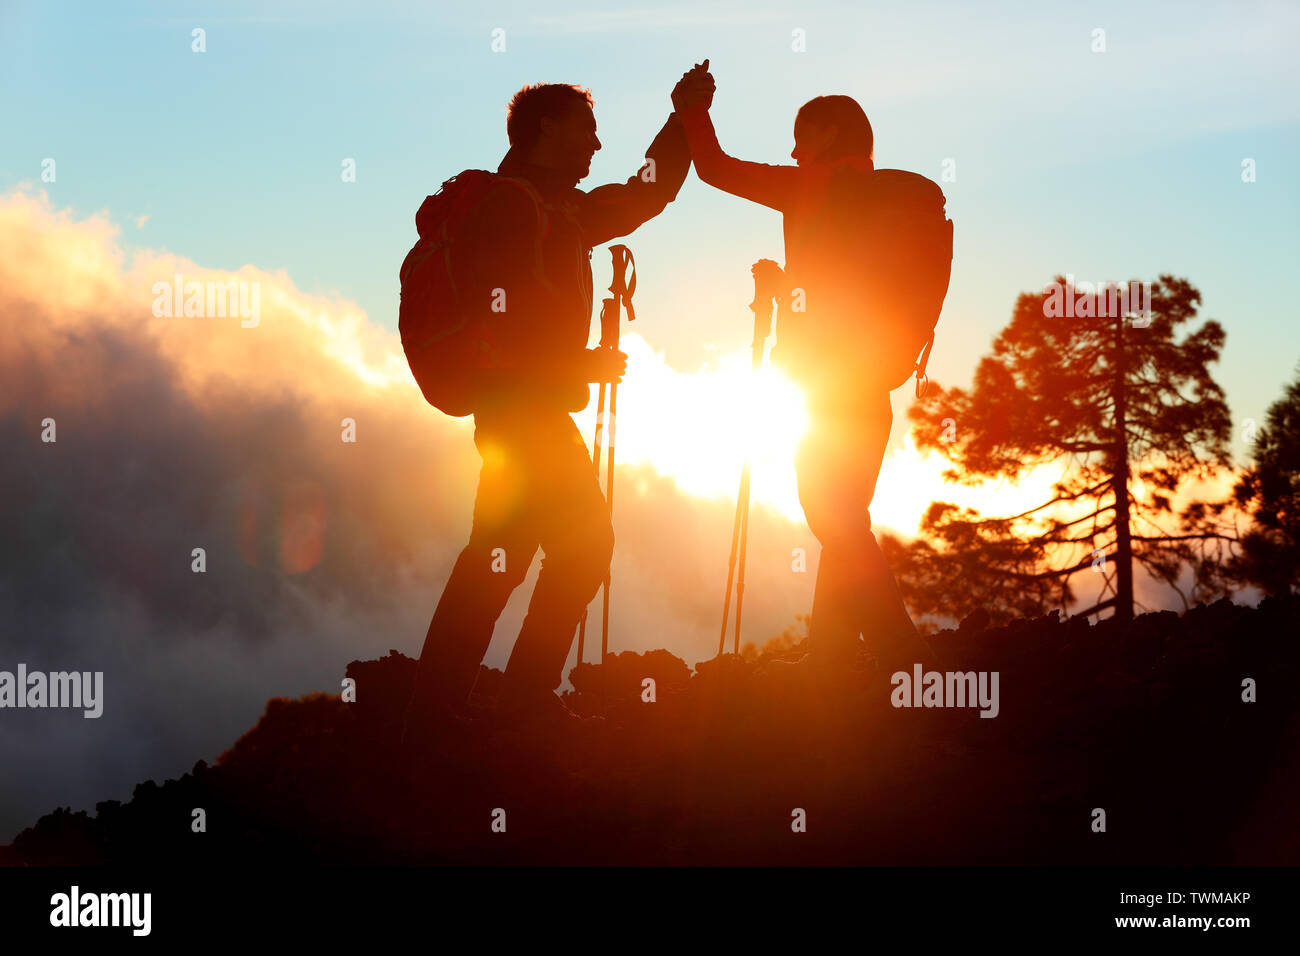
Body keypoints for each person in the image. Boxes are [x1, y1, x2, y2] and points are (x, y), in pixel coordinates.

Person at [403, 77, 696, 739]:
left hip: (524, 407)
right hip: (519, 407)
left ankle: (444, 713)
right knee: (577, 548)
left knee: (501, 555)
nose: (597, 143)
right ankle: (507, 705)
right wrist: (579, 365)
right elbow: (501, 318)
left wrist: (683, 120)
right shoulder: (511, 210)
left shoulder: (557, 212)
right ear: (546, 132)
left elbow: (646, 193)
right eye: (584, 130)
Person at [673, 64, 939, 687]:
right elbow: (844, 289)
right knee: (842, 520)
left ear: (827, 134)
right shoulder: (887, 203)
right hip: (874, 387)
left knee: (832, 517)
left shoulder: (811, 187)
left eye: (801, 135)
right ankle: (828, 661)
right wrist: (786, 286)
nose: (793, 150)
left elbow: (714, 169)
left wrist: (691, 109)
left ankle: (908, 659)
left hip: (823, 389)